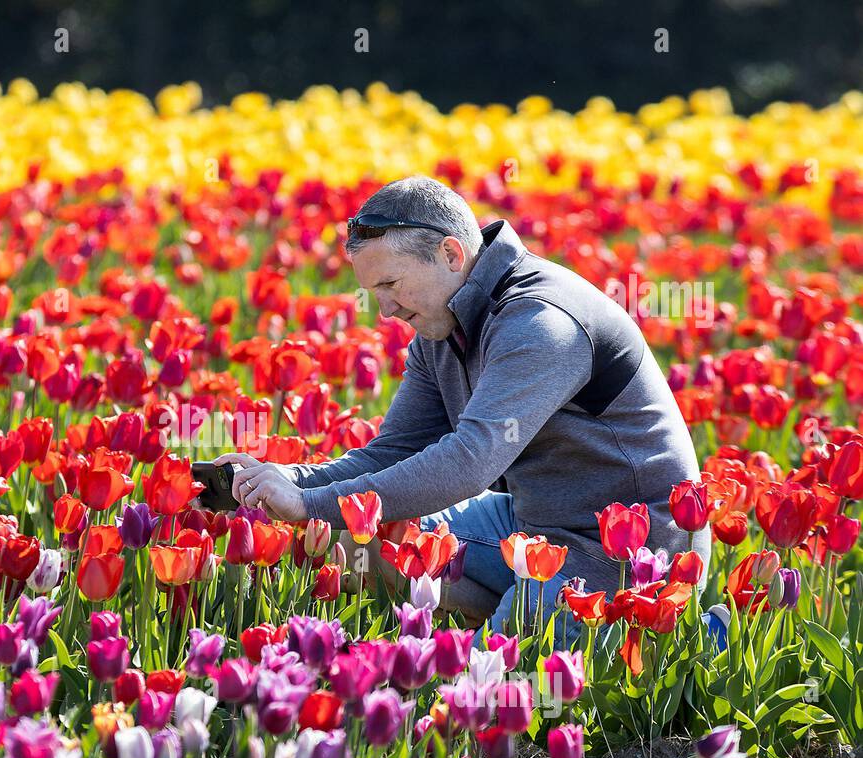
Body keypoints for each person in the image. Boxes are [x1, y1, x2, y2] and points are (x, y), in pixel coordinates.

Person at [217, 175, 707, 635]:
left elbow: (471, 461)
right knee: (362, 544)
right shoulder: (440, 325)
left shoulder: (541, 321)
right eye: (374, 293)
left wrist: (308, 504)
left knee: (477, 684)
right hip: (530, 525)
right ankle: (524, 610)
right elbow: (394, 451)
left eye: (390, 285)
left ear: (451, 254)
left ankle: (698, 637)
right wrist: (280, 479)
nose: (385, 311)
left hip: (629, 551)